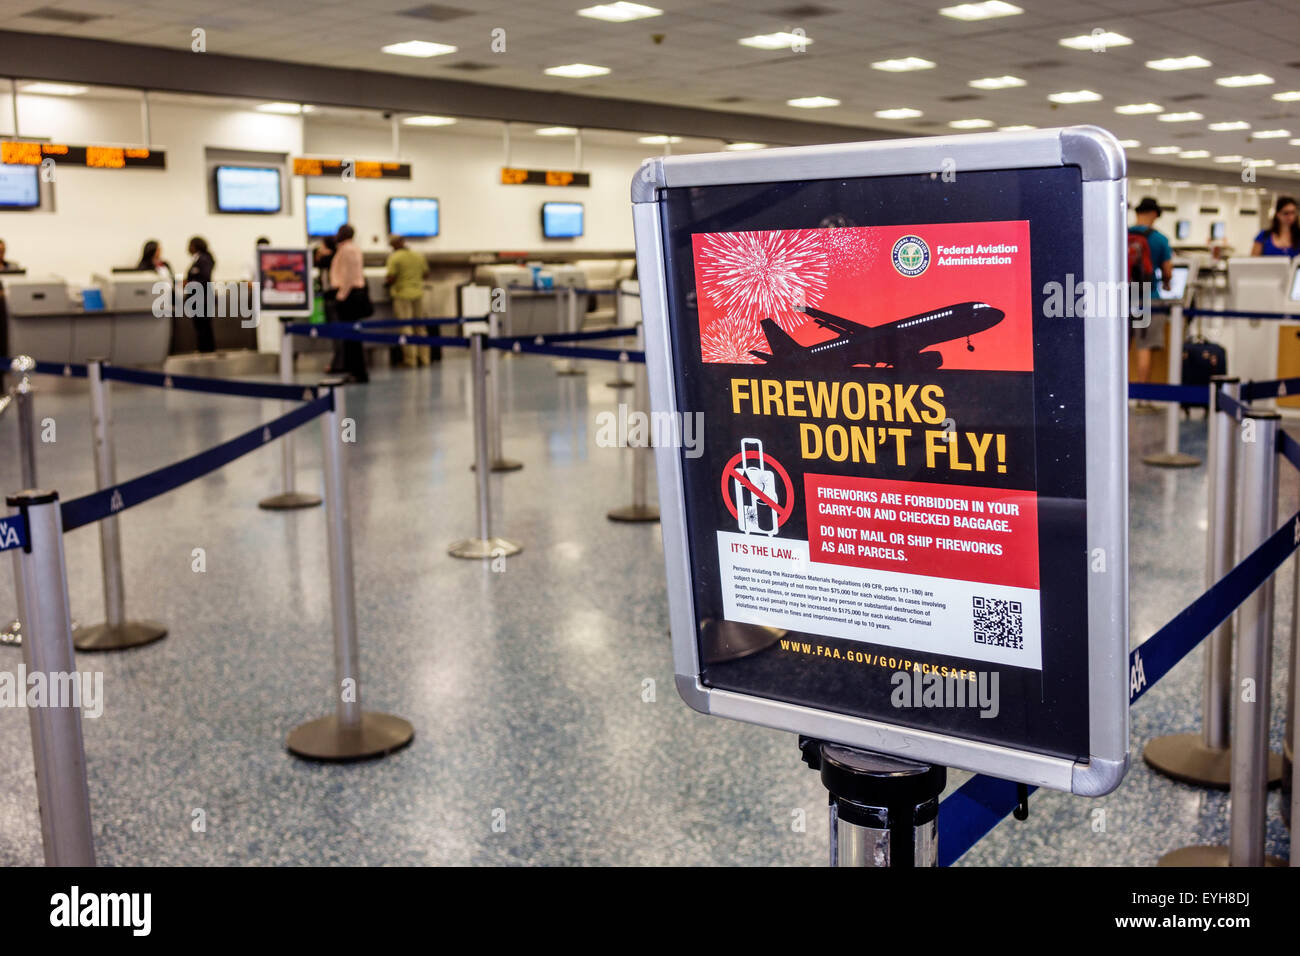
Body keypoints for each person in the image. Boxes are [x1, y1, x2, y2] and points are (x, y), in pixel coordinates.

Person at [1128, 197, 1173, 397]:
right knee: (1144, 347)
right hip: (1148, 297)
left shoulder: (1122, 234)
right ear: (1154, 214)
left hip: (1121, 297)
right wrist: (1166, 282)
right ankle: (1142, 398)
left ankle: (1120, 396)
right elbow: (1168, 272)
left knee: (1121, 346)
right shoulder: (1160, 240)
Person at [329, 224, 369, 383]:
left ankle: (358, 372)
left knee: (352, 336)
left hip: (350, 296)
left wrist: (341, 295)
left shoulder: (348, 250)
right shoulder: (349, 248)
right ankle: (354, 370)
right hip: (350, 294)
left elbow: (349, 276)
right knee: (350, 336)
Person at [385, 235, 433, 366]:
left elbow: (391, 277)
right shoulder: (418, 256)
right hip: (418, 293)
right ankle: (425, 358)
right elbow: (426, 274)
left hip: (402, 295)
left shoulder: (394, 257)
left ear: (394, 244)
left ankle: (410, 360)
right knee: (420, 327)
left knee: (406, 327)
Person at [186, 236, 216, 353]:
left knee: (204, 327)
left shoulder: (204, 259)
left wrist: (190, 283)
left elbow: (204, 278)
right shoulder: (197, 260)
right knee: (200, 327)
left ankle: (206, 350)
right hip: (198, 298)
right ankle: (204, 349)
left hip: (202, 298)